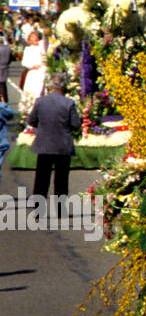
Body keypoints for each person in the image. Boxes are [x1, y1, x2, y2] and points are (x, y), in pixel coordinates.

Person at [26, 72, 81, 220]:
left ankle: (38, 211)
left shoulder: (40, 102)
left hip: (44, 144)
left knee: (41, 179)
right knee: (61, 180)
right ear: (64, 87)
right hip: (63, 146)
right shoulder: (68, 103)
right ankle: (60, 211)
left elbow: (31, 120)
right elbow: (76, 124)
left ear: (50, 86)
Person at [19, 30, 47, 115]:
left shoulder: (42, 47)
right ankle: (29, 110)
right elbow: (24, 62)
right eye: (32, 38)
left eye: (36, 37)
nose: (35, 39)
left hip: (42, 72)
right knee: (31, 92)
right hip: (32, 73)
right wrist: (32, 65)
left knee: (41, 91)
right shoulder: (28, 49)